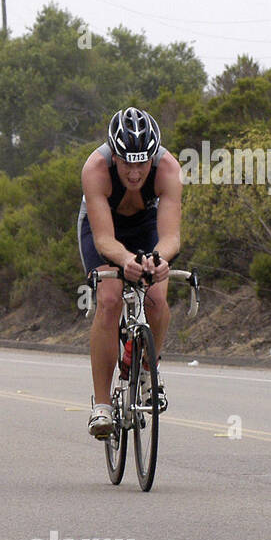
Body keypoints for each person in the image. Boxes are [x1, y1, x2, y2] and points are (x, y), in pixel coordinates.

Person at [79, 107, 182, 439]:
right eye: (127, 163)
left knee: (155, 296)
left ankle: (150, 372)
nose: (135, 173)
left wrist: (159, 260)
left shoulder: (168, 168)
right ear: (114, 156)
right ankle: (102, 405)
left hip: (147, 227)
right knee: (109, 300)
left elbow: (170, 238)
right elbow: (105, 239)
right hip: (106, 229)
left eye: (142, 162)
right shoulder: (96, 169)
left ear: (153, 156)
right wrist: (125, 261)